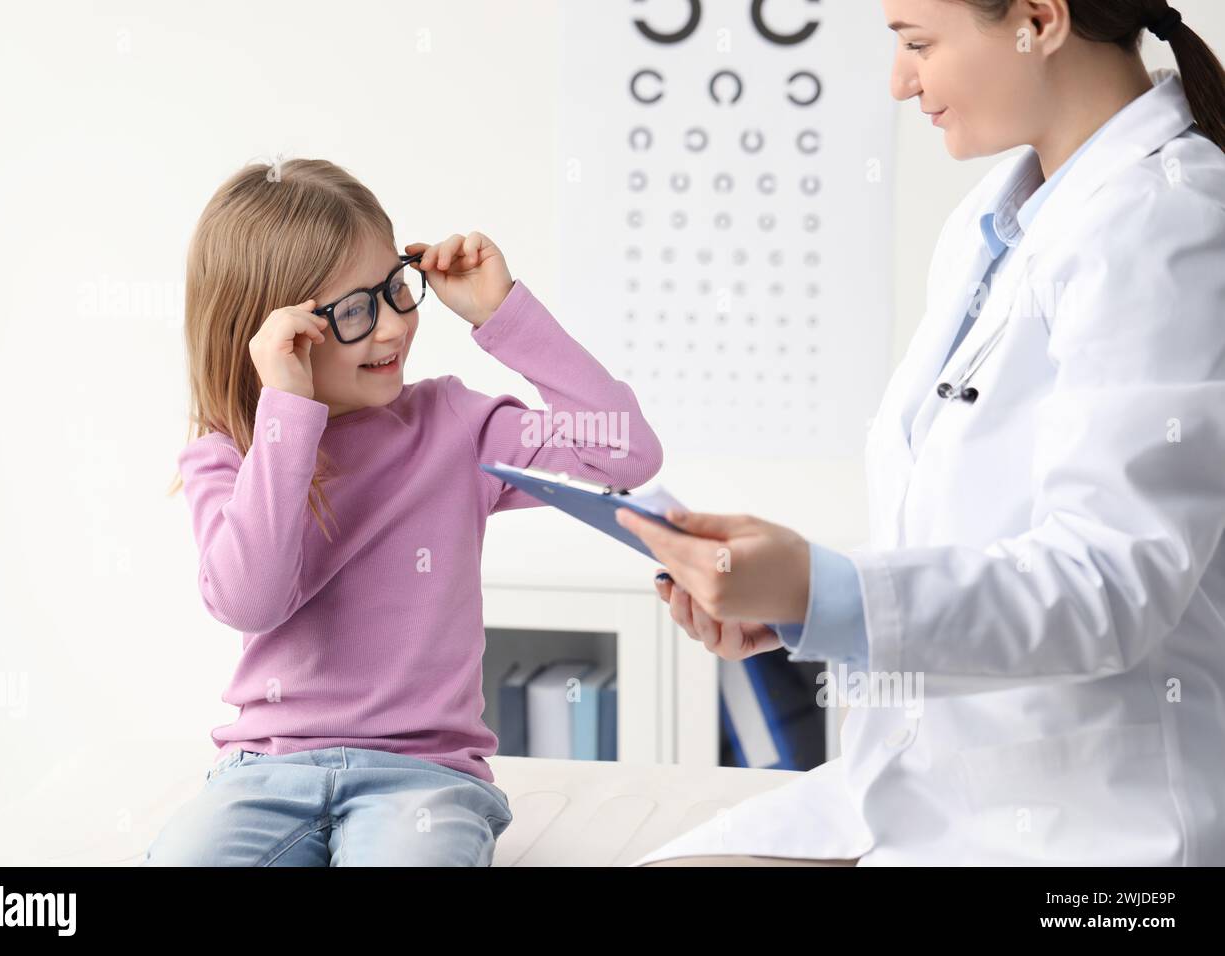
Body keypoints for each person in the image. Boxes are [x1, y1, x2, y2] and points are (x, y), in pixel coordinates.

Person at [617, 0, 1225, 866]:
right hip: (918, 796)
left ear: (1040, 19)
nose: (902, 82)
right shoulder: (999, 220)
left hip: (1092, 834)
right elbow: (961, 532)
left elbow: (1109, 584)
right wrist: (801, 608)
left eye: (917, 44)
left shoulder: (1168, 223)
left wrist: (826, 591)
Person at [143, 159, 663, 865]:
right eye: (354, 312)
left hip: (423, 778)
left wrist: (505, 313)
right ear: (276, 336)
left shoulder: (453, 424)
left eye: (394, 288)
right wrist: (288, 417)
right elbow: (250, 600)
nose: (391, 327)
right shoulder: (228, 452)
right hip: (264, 772)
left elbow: (625, 453)